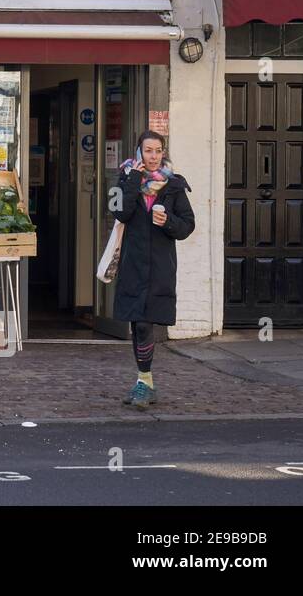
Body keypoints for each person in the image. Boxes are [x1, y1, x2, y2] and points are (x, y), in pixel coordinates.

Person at [112, 129, 194, 410]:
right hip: (133, 262)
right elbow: (120, 212)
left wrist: (167, 220)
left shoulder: (174, 185)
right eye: (148, 151)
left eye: (158, 151)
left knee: (147, 321)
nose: (154, 156)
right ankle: (144, 382)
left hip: (160, 265)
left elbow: (187, 225)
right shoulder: (124, 178)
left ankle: (144, 381)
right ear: (139, 152)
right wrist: (134, 179)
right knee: (138, 322)